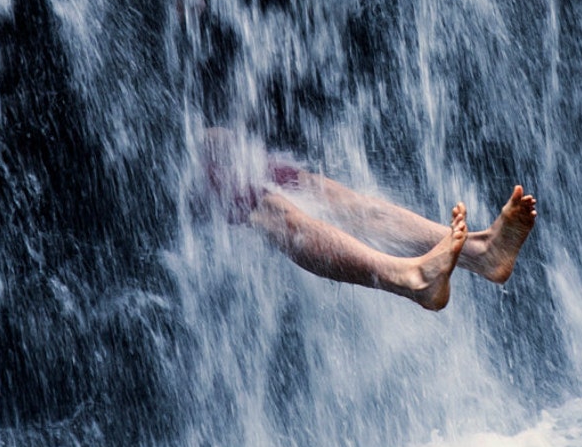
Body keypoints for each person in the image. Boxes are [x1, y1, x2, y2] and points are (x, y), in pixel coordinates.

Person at [200, 127, 536, 311]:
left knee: (332, 196)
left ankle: (481, 251)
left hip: (225, 156)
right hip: (188, 172)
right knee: (276, 211)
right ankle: (411, 277)